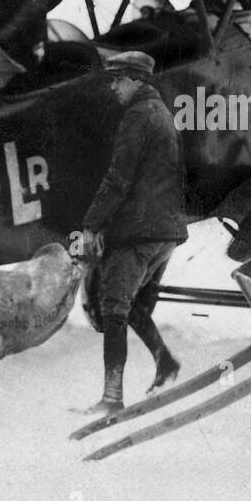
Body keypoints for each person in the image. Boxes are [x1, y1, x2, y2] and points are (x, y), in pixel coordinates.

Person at [78, 51, 187, 414]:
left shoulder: (137, 117)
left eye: (117, 79)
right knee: (137, 306)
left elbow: (118, 178)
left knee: (114, 310)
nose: (112, 87)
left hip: (139, 233)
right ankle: (165, 361)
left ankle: (112, 399)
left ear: (135, 79)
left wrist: (92, 223)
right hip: (165, 233)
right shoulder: (162, 114)